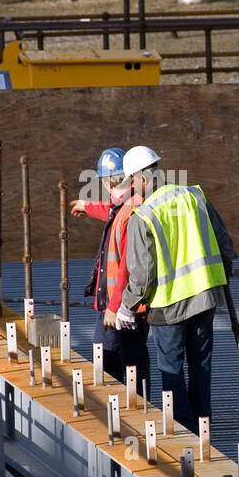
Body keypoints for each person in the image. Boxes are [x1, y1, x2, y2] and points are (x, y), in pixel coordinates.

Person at [115, 146, 236, 433]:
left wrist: (127, 305)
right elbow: (225, 243)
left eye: (132, 181)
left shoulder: (143, 216)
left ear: (142, 179)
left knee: (171, 369)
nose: (132, 188)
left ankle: (183, 431)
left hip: (169, 305)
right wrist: (222, 277)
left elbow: (143, 274)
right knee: (201, 365)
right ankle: (203, 427)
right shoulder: (194, 196)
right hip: (205, 298)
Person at [76, 147, 151, 390]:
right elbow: (110, 211)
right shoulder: (128, 204)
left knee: (114, 363)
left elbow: (128, 268)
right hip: (125, 305)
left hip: (122, 307)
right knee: (130, 360)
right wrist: (87, 206)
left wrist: (113, 306)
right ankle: (136, 409)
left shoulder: (131, 211)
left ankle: (129, 413)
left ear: (107, 183)